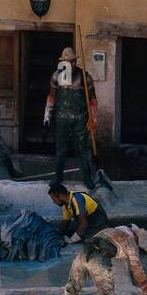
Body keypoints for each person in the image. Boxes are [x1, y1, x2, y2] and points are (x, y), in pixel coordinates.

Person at [46, 47, 99, 192]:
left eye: (71, 62)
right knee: (61, 150)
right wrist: (47, 114)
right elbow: (51, 97)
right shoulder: (56, 76)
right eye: (65, 62)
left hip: (80, 119)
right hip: (62, 119)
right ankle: (58, 177)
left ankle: (87, 178)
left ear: (75, 62)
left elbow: (92, 99)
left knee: (84, 150)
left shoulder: (85, 77)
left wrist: (93, 119)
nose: (68, 65)